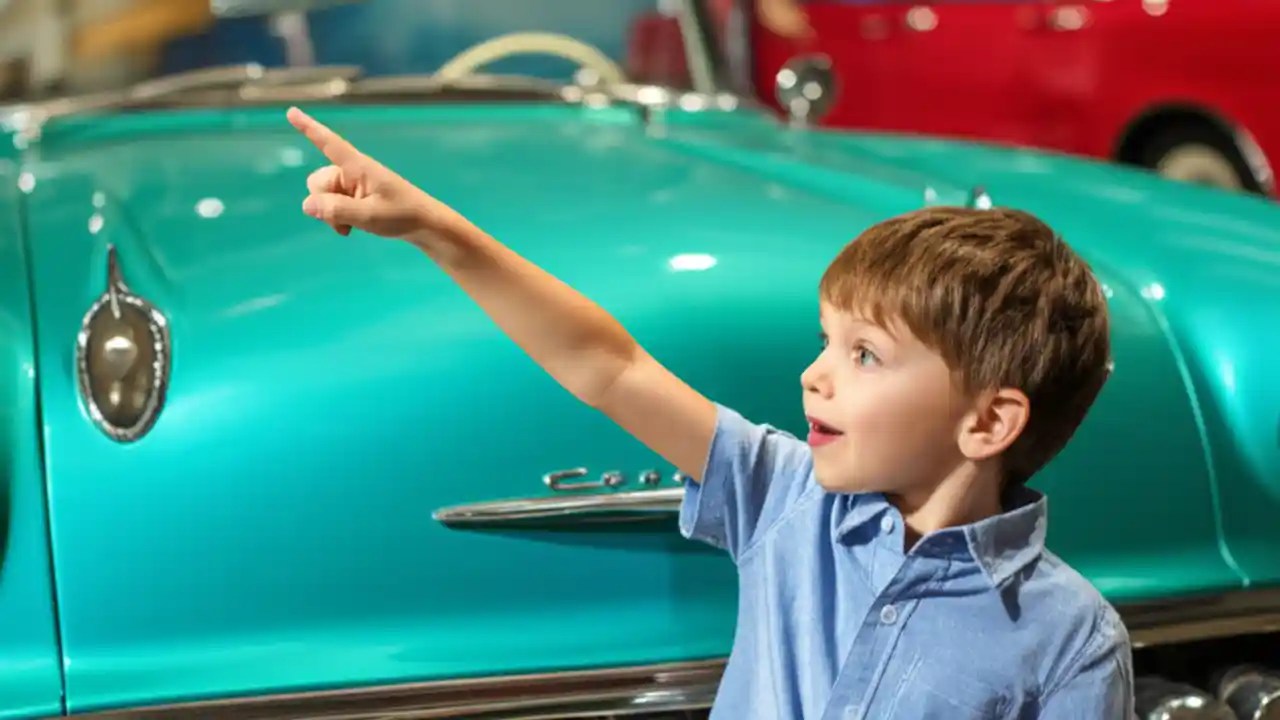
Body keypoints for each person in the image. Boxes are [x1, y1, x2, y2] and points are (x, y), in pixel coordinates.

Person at [285, 106, 1134, 719]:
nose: (815, 376)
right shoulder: (790, 498)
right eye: (826, 342)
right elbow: (608, 366)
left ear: (988, 423)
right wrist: (437, 229)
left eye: (864, 354)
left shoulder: (1072, 640)